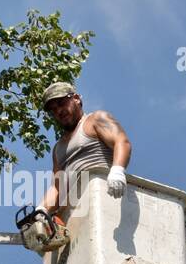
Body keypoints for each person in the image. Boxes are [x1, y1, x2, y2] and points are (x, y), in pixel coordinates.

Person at [37, 81, 132, 219]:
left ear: (76, 98)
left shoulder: (95, 120)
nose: (58, 111)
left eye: (61, 103)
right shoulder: (57, 149)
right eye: (53, 110)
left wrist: (117, 171)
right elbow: (57, 188)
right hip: (74, 215)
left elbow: (121, 142)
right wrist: (41, 209)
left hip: (103, 197)